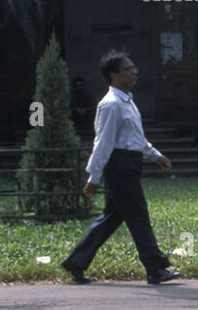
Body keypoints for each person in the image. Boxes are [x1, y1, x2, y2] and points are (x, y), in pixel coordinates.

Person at [61, 51, 180, 285]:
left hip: (129, 163)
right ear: (113, 75)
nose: (134, 72)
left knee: (111, 218)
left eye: (134, 67)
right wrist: (94, 176)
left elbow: (135, 137)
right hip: (119, 166)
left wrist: (155, 155)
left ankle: (76, 261)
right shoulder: (111, 105)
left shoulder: (128, 101)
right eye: (127, 69)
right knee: (138, 216)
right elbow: (103, 143)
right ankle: (155, 268)